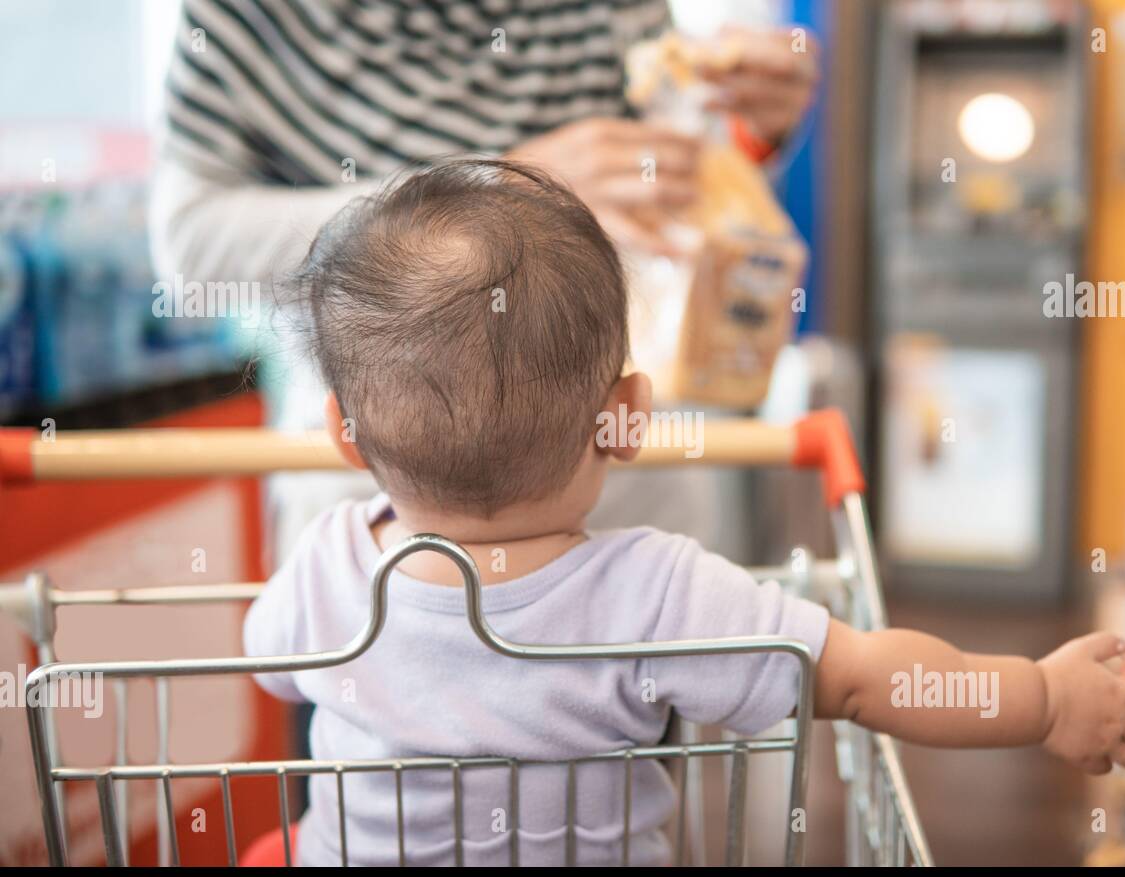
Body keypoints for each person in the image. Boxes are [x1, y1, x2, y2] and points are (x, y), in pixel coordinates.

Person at [243, 159, 1125, 866]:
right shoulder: (652, 591)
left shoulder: (332, 563)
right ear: (627, 416)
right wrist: (1043, 698)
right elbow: (861, 678)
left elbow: (264, 656)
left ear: (345, 436)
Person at [150, 0, 819, 561]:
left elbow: (659, 175)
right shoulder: (254, 15)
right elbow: (192, 247)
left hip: (619, 490)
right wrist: (495, 184)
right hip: (385, 497)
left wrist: (741, 129)